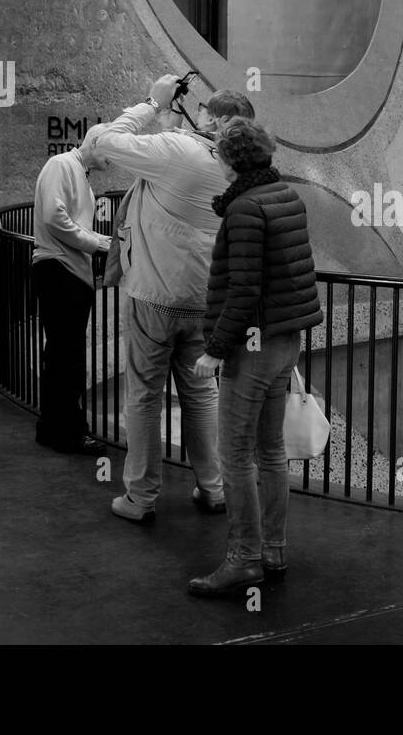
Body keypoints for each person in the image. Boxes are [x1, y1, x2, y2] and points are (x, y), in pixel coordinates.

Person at [96, 77, 254, 524]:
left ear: (219, 121)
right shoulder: (231, 167)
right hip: (203, 299)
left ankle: (140, 497)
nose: (196, 112)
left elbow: (104, 140)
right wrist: (170, 117)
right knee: (201, 395)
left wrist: (152, 101)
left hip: (154, 295)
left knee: (144, 396)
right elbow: (164, 158)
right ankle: (214, 487)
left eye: (204, 109)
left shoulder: (179, 152)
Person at [188, 120, 323, 596]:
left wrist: (213, 351)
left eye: (218, 152)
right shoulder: (285, 196)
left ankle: (244, 558)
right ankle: (274, 552)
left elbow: (243, 290)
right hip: (285, 342)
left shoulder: (244, 209)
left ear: (230, 159)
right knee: (271, 452)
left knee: (234, 455)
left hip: (253, 344)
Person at [31, 126, 112, 454]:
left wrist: (98, 243)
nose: (114, 159)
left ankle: (57, 428)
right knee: (68, 357)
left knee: (65, 356)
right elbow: (54, 218)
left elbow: (63, 219)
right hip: (60, 270)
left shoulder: (72, 168)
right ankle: (67, 431)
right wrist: (98, 244)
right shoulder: (62, 165)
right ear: (93, 143)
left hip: (67, 271)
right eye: (111, 151)